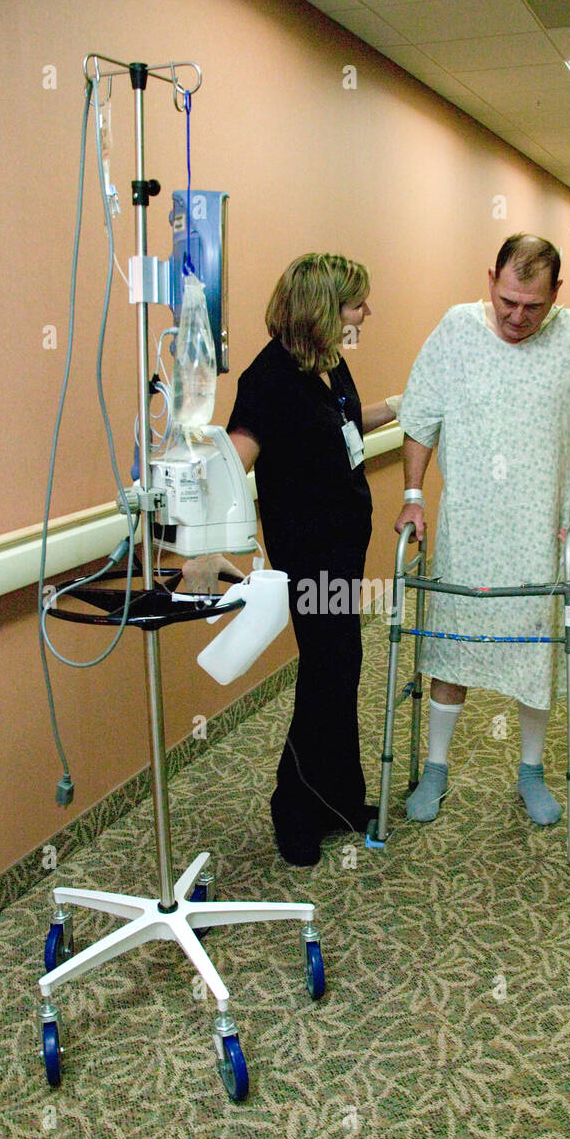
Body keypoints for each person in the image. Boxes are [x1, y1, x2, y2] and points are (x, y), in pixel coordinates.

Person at [394, 232, 570, 827]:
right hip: (468, 528)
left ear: (557, 295)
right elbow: (421, 417)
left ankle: (531, 771)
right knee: (451, 648)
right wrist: (415, 495)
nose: (519, 317)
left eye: (534, 306)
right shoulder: (455, 329)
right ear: (490, 277)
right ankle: (438, 768)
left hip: (539, 532)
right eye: (508, 301)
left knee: (536, 651)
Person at [185, 253, 397, 865]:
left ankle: (339, 798)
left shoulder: (328, 365)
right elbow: (231, 466)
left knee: (342, 666)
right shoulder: (270, 379)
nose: (366, 312)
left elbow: (346, 423)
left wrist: (406, 403)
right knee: (326, 671)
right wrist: (203, 548)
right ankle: (295, 811)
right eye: (357, 303)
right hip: (306, 552)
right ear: (325, 310)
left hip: (342, 548)